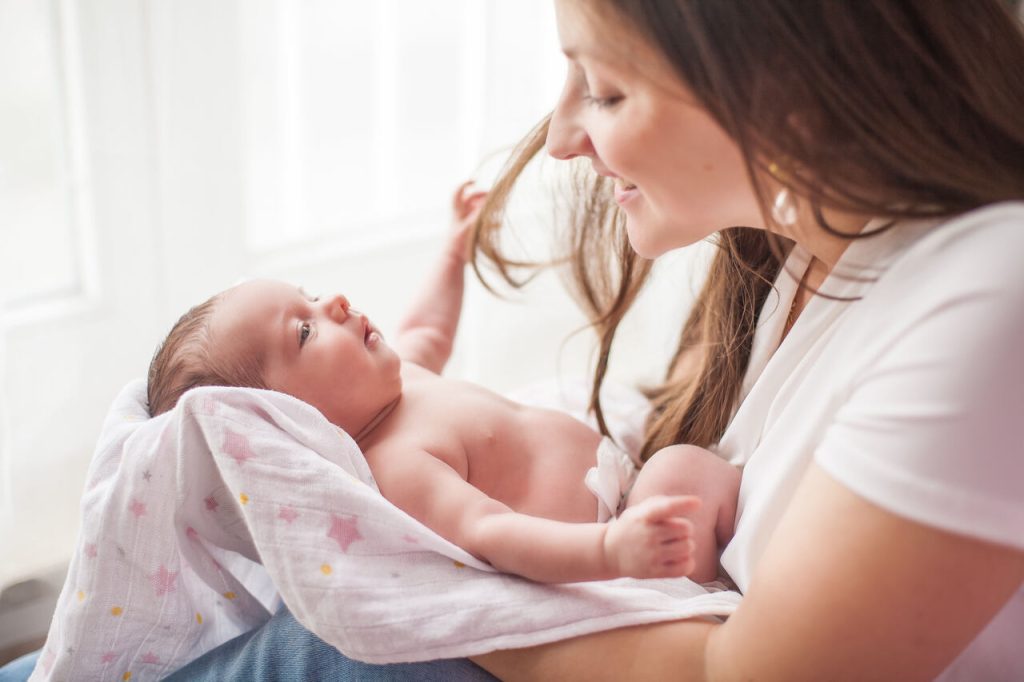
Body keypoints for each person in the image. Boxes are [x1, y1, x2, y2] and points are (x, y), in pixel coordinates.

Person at [13, 0, 1012, 679]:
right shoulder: (803, 251)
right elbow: (487, 533)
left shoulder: (982, 296)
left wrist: (416, 614)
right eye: (307, 330)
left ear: (793, 94)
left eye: (606, 89)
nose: (565, 137)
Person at [145, 181, 741, 586]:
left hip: (620, 493)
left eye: (311, 293)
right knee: (682, 473)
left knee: (683, 470)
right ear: (287, 421)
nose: (334, 303)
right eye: (303, 330)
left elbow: (426, 327)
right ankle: (727, 589)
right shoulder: (397, 465)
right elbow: (491, 532)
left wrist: (452, 254)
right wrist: (612, 552)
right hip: (601, 543)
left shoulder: (400, 387)